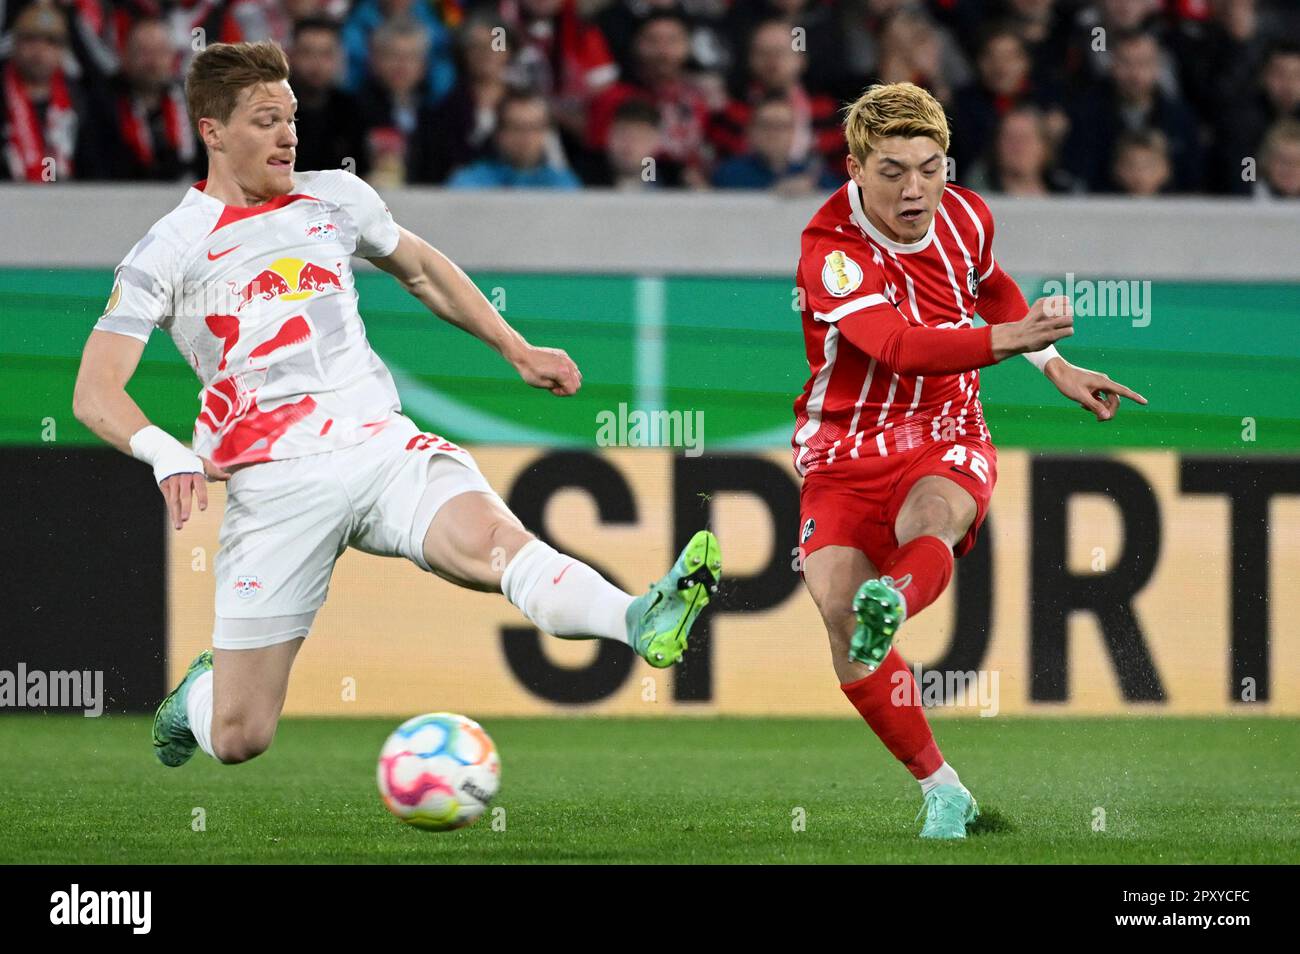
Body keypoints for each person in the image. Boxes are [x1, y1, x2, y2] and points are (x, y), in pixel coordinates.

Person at [71, 40, 721, 769]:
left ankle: (639, 618)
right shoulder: (168, 249)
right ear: (211, 131)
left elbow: (420, 270)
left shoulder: (337, 198)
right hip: (276, 484)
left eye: (290, 117)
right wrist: (167, 451)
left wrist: (514, 346)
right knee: (239, 736)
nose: (287, 134)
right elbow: (95, 392)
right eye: (264, 120)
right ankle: (202, 696)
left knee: (498, 548)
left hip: (382, 446)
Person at [791, 82, 1146, 838]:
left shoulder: (969, 214)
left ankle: (895, 596)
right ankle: (943, 789)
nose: (915, 188)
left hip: (946, 422)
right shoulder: (833, 252)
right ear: (855, 167)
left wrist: (1059, 368)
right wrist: (1014, 339)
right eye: (892, 171)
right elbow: (898, 346)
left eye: (931, 166)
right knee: (836, 614)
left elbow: (992, 292)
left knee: (935, 514)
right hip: (843, 444)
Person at [446, 90, 581, 189]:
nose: (526, 136)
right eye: (516, 127)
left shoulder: (562, 182)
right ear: (499, 133)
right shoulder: (470, 180)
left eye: (534, 127)